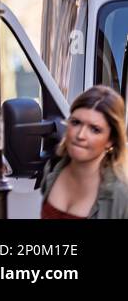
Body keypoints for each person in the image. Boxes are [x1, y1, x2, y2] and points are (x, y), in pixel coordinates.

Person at [40, 85, 128, 219]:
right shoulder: (53, 167)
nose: (80, 135)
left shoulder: (120, 195)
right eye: (76, 122)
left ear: (110, 140)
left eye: (95, 129)